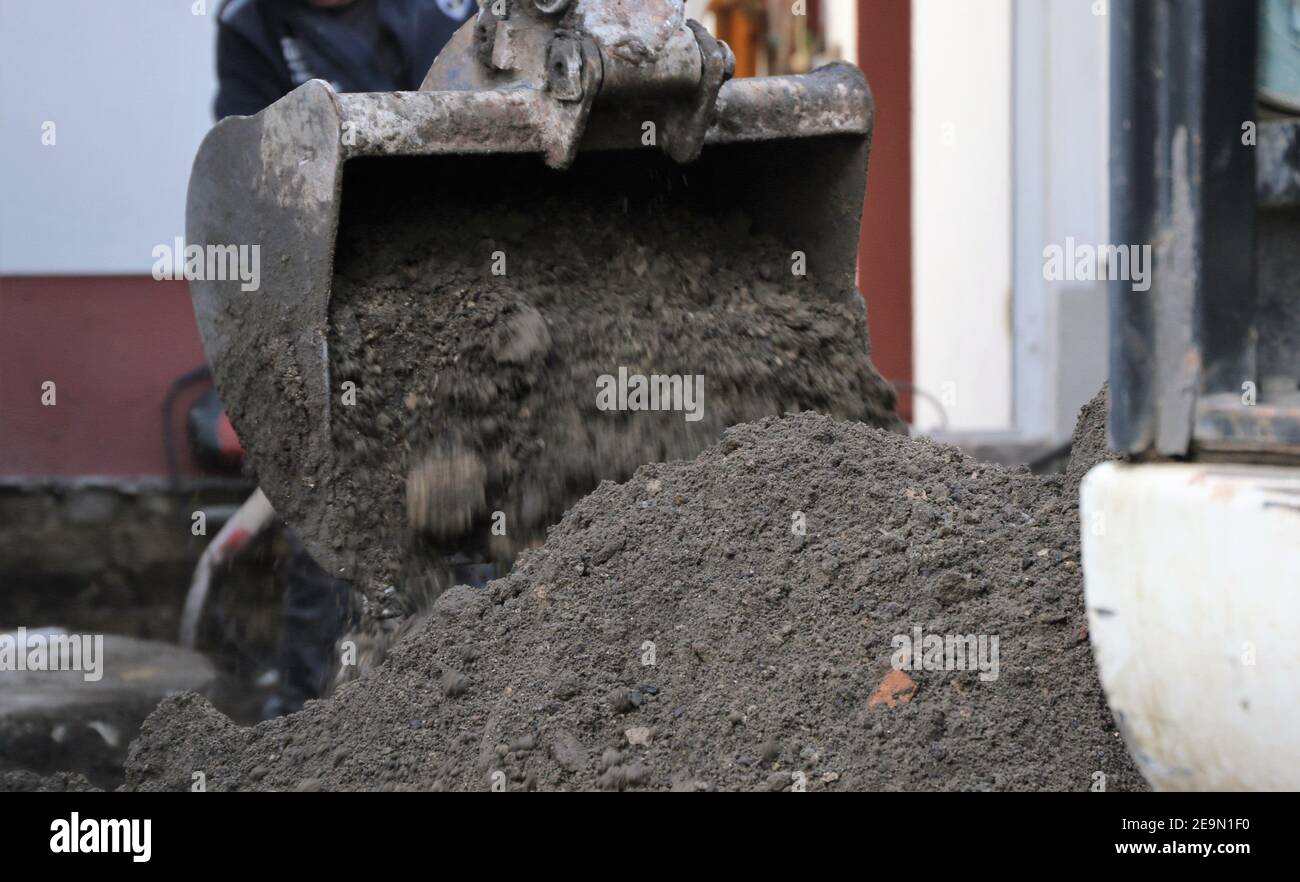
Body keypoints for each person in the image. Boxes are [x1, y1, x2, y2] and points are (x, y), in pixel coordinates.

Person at [208, 0, 476, 719]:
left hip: (468, 279)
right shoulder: (254, 28)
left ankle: (483, 689)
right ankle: (305, 721)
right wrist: (254, 365)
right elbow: (249, 183)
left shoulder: (443, 10)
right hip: (332, 308)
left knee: (480, 518)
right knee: (330, 535)